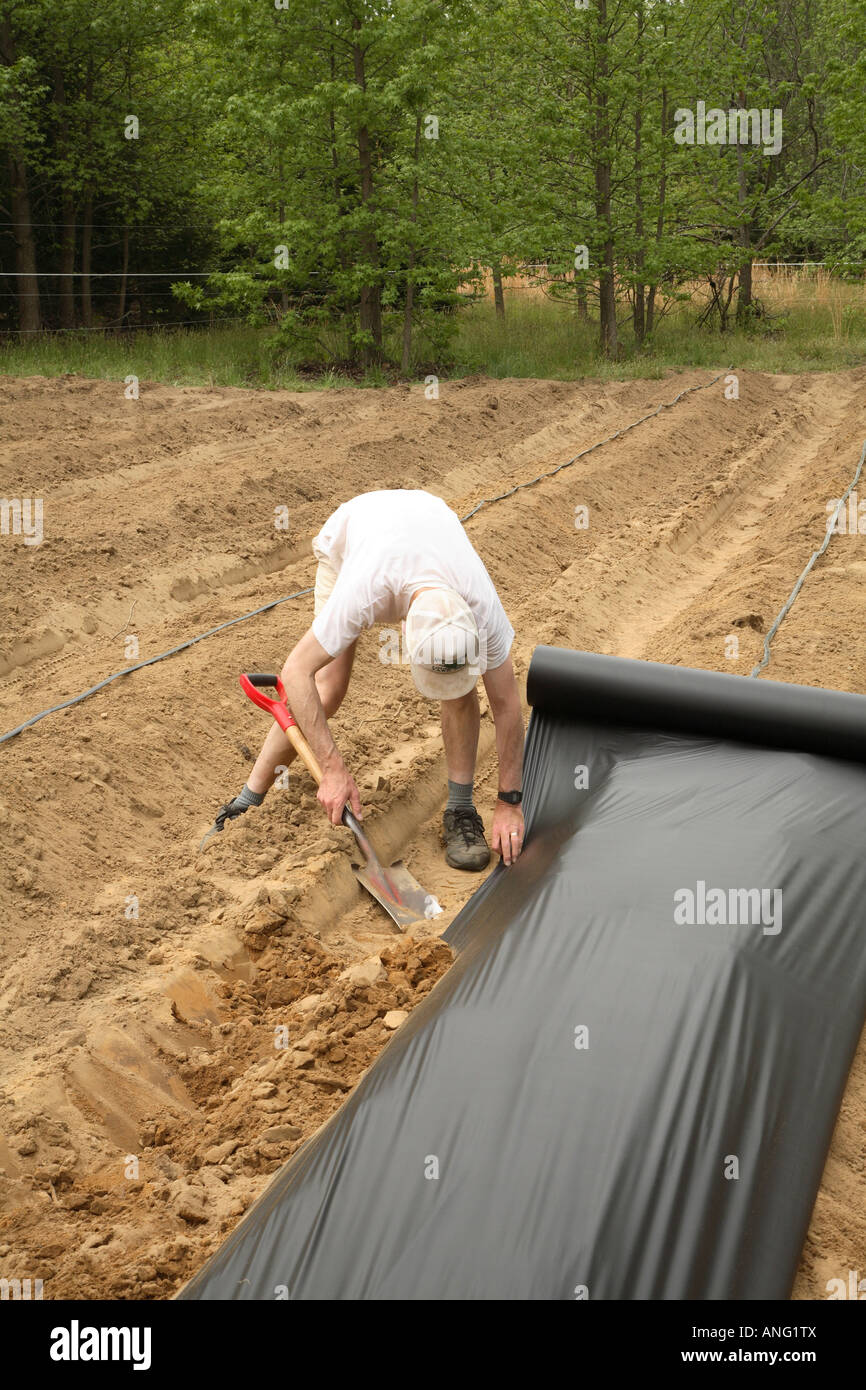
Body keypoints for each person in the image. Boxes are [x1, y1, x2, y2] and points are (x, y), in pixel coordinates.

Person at [213, 489, 524, 869]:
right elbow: (296, 672)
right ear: (406, 632)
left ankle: (460, 811)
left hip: (425, 521)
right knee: (327, 689)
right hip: (356, 538)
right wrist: (331, 769)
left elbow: (507, 705)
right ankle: (248, 798)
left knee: (459, 695)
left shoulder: (481, 607)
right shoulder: (362, 592)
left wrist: (509, 803)